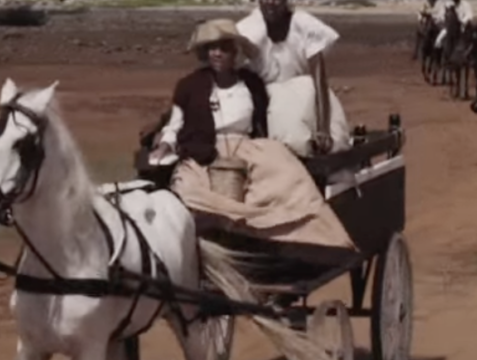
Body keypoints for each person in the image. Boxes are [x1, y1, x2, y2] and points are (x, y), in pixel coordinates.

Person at [148, 19, 354, 255]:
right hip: (203, 151)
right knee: (191, 190)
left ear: (235, 52)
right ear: (205, 53)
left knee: (288, 177)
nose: (217, 53)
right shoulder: (189, 85)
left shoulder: (250, 83)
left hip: (246, 148)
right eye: (212, 48)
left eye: (224, 48)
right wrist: (165, 144)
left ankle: (304, 238)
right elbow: (176, 124)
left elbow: (263, 120)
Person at [236, 0, 344, 156]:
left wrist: (323, 127)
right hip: (262, 96)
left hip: (305, 91)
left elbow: (319, 79)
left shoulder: (304, 25)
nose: (270, 2)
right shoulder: (248, 28)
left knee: (322, 142)